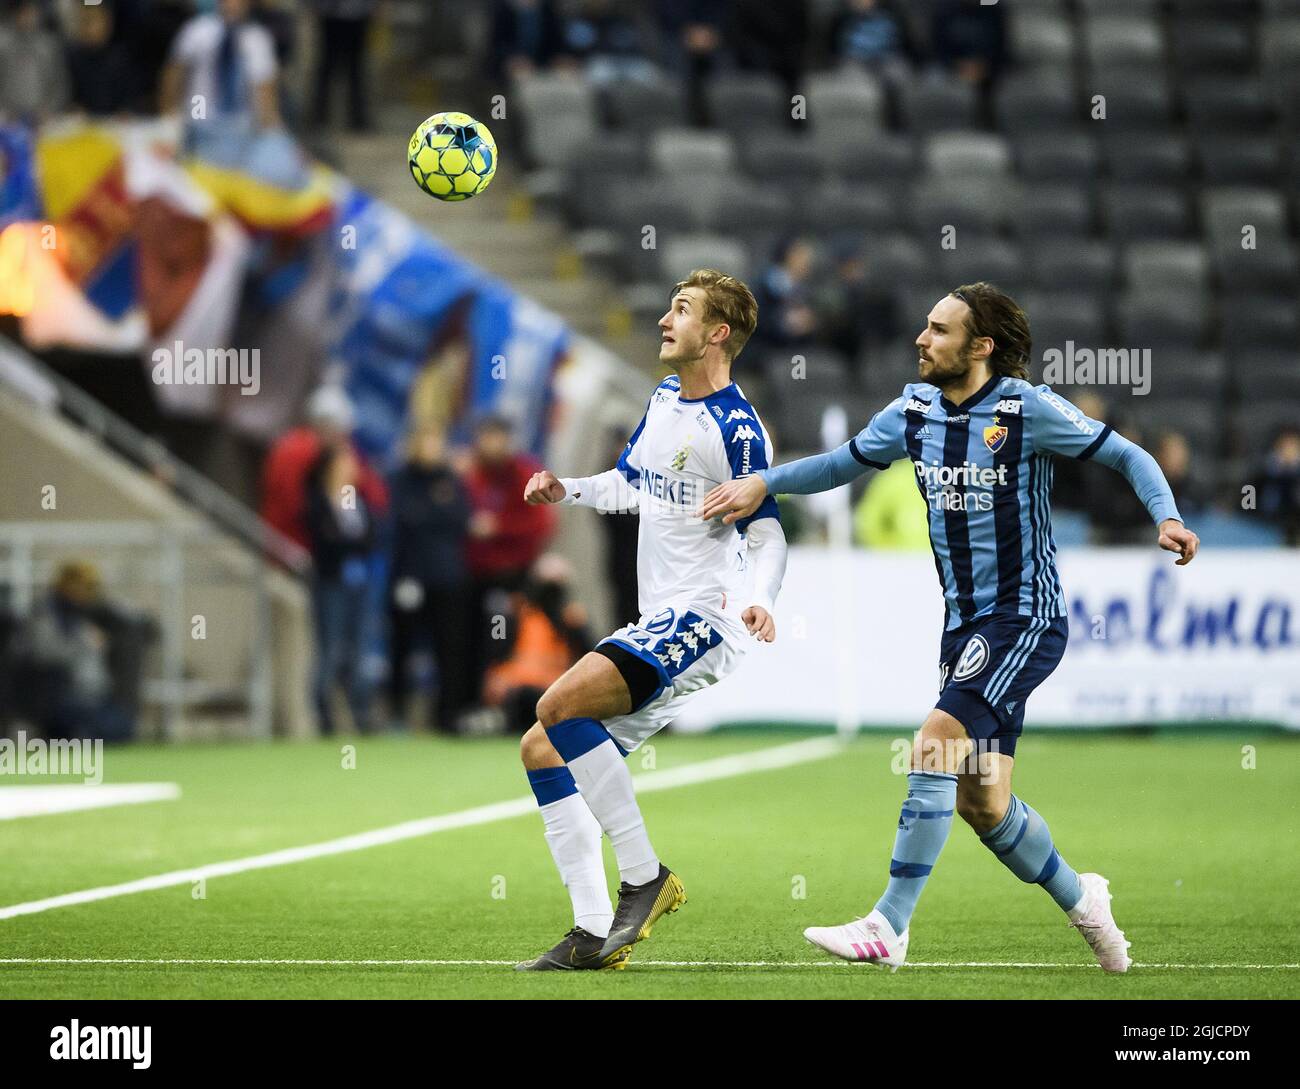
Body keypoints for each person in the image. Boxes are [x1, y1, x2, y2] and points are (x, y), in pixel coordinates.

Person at [698, 281, 1199, 974]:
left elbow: (1126, 456)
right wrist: (766, 483)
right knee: (985, 804)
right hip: (963, 626)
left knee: (933, 740)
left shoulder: (1026, 409)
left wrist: (1165, 514)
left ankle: (889, 924)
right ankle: (1086, 899)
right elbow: (842, 463)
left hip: (1025, 616)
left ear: (980, 346)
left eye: (938, 329)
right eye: (924, 327)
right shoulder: (913, 410)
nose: (921, 339)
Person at [515, 269, 789, 971]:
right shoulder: (665, 397)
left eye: (683, 309)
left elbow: (768, 532)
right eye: (669, 304)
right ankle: (590, 933)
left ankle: (644, 876)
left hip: (706, 617)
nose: (666, 319)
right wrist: (565, 489)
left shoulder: (737, 428)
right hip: (662, 617)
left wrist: (764, 596)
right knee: (543, 746)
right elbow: (630, 484)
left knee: (559, 702)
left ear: (717, 333)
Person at [462, 415, 556, 715]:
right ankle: (471, 706)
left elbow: (539, 523)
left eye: (498, 437)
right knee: (473, 642)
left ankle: (510, 708)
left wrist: (498, 528)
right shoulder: (467, 475)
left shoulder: (524, 475)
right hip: (475, 576)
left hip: (516, 578)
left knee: (509, 642)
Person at [387, 425, 473, 734]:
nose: (433, 448)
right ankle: (397, 714)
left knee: (448, 649)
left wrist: (432, 512)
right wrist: (435, 510)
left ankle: (446, 717)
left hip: (448, 579)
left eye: (437, 441)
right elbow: (405, 517)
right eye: (427, 440)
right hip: (410, 577)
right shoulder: (400, 479)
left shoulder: (451, 479)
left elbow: (462, 518)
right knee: (403, 647)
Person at [305, 441, 379, 735]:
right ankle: (324, 717)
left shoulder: (358, 499)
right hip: (331, 583)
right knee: (330, 648)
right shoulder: (319, 500)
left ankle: (362, 713)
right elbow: (326, 541)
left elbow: (369, 536)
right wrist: (350, 545)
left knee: (360, 648)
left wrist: (350, 545)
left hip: (359, 583)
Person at [484, 554, 592, 733]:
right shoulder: (515, 613)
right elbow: (495, 648)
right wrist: (494, 675)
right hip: (517, 687)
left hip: (556, 686)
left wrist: (581, 629)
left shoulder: (571, 619)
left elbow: (590, 655)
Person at [160, 0, 280, 139]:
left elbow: (265, 91)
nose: (233, 5)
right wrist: (168, 114)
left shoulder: (258, 39)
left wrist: (272, 130)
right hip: (199, 111)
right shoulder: (198, 29)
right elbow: (174, 73)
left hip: (240, 125)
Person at [309, 0, 377, 131]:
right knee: (327, 67)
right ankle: (319, 117)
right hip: (330, 13)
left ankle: (358, 119)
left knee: (356, 70)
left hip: (358, 14)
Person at [1258, 425, 1300, 545]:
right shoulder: (1263, 471)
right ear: (1278, 449)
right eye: (1285, 447)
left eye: (1293, 447)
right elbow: (1248, 501)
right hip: (1268, 525)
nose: (1289, 452)